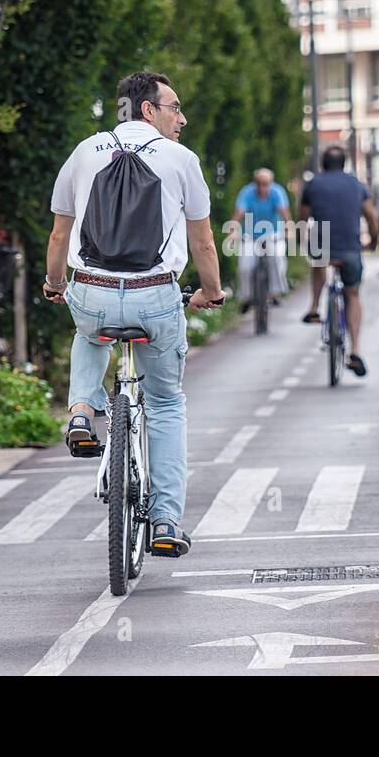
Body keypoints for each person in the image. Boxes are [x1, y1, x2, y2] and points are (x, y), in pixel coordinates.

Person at [43, 71, 224, 559]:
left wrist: (56, 285)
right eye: (174, 108)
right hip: (155, 297)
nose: (181, 119)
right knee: (165, 405)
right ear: (148, 110)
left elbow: (60, 237)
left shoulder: (84, 152)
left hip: (93, 292)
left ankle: (82, 410)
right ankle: (165, 521)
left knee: (89, 331)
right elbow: (203, 240)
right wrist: (212, 291)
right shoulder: (183, 161)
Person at [299, 146, 379, 377]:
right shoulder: (357, 185)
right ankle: (355, 351)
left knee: (318, 264)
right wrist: (374, 241)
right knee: (352, 294)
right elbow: (372, 217)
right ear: (344, 163)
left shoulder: (313, 184)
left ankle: (314, 307)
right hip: (350, 246)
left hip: (321, 241)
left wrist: (300, 240)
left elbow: (303, 218)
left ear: (323, 164)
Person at [231, 167, 291, 313]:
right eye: (259, 183)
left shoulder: (277, 192)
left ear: (271, 183)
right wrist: (232, 229)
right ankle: (246, 297)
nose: (262, 187)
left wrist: (288, 229)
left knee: (277, 258)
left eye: (266, 184)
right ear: (255, 183)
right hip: (251, 235)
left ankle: (275, 293)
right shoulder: (247, 193)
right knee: (244, 266)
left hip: (273, 233)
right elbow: (239, 212)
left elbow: (284, 212)